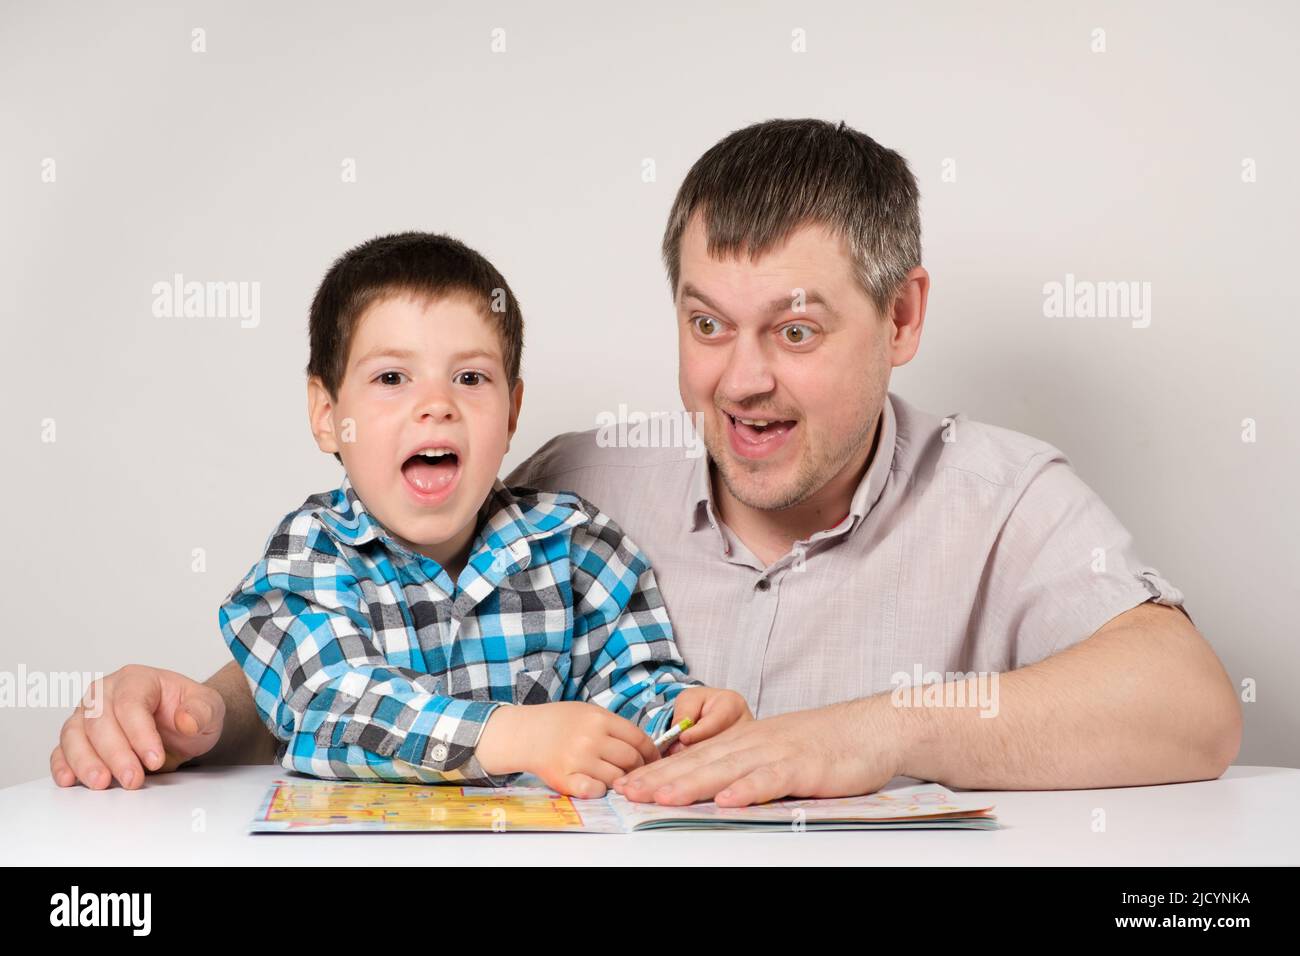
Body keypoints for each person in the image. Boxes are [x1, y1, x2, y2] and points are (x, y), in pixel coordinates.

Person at [51, 120, 1240, 808]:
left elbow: (1190, 708)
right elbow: (376, 639)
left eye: (796, 330)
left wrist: (877, 731)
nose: (741, 379)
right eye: (707, 323)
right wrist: (201, 711)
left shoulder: (999, 495)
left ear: (902, 315)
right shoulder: (578, 488)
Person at [216, 231, 748, 796]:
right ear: (327, 415)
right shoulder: (309, 556)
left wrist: (681, 723)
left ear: (512, 413)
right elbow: (330, 705)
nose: (437, 405)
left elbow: (630, 693)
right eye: (392, 378)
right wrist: (516, 736)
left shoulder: (577, 548)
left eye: (470, 379)